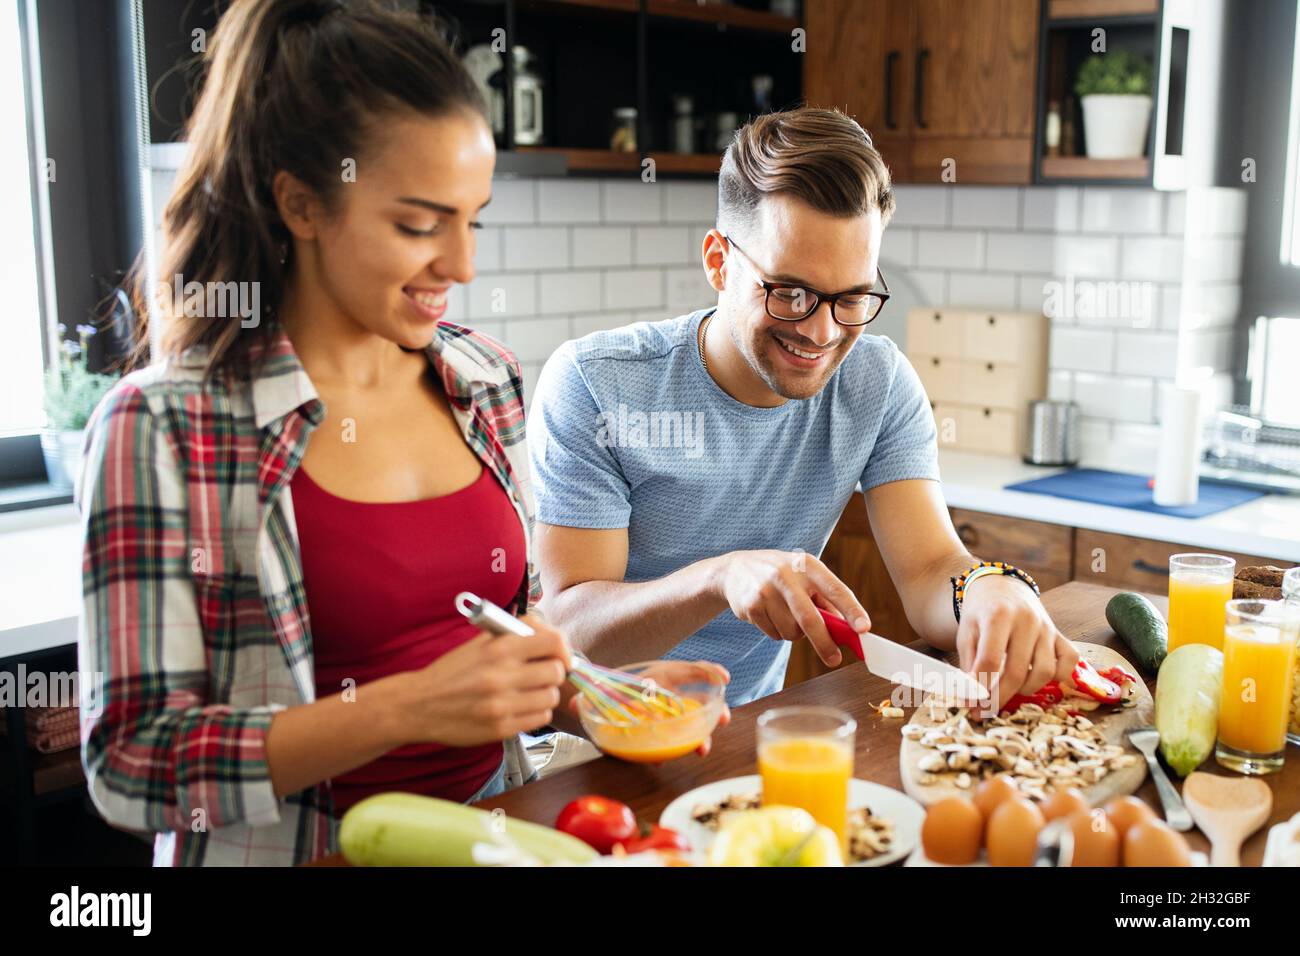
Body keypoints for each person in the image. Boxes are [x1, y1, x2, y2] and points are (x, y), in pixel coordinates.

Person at [76, 0, 723, 867]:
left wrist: (593, 695)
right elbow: (131, 763)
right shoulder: (162, 428)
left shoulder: (481, 379)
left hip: (492, 839)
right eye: (421, 224)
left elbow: (498, 632)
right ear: (301, 204)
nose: (462, 265)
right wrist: (408, 708)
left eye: (473, 219)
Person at [529, 107, 1079, 712]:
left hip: (741, 735)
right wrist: (719, 578)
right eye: (789, 292)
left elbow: (930, 568)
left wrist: (987, 590)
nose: (821, 332)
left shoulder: (878, 382)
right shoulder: (597, 383)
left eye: (852, 297)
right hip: (591, 743)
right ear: (718, 260)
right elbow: (573, 632)